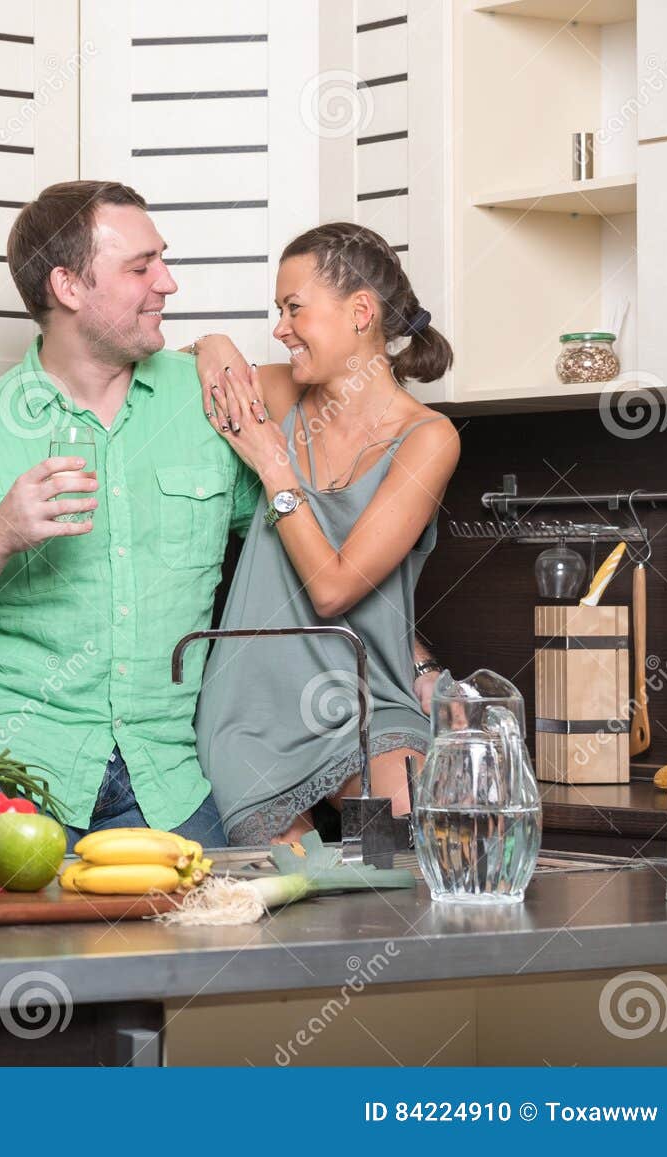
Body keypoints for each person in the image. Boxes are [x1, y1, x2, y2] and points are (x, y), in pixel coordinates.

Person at [0, 180, 258, 850]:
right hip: (8, 787)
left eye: (159, 260)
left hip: (169, 784)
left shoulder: (205, 403)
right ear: (69, 287)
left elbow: (293, 550)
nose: (167, 283)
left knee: (220, 945)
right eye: (140, 268)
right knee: (15, 954)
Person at [189, 222, 458, 846]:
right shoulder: (280, 395)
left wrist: (274, 466)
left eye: (293, 309)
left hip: (368, 703)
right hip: (248, 717)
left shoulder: (426, 438)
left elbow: (334, 590)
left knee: (397, 858)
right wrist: (212, 341)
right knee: (291, 890)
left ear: (360, 312)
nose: (280, 328)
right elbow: (188, 367)